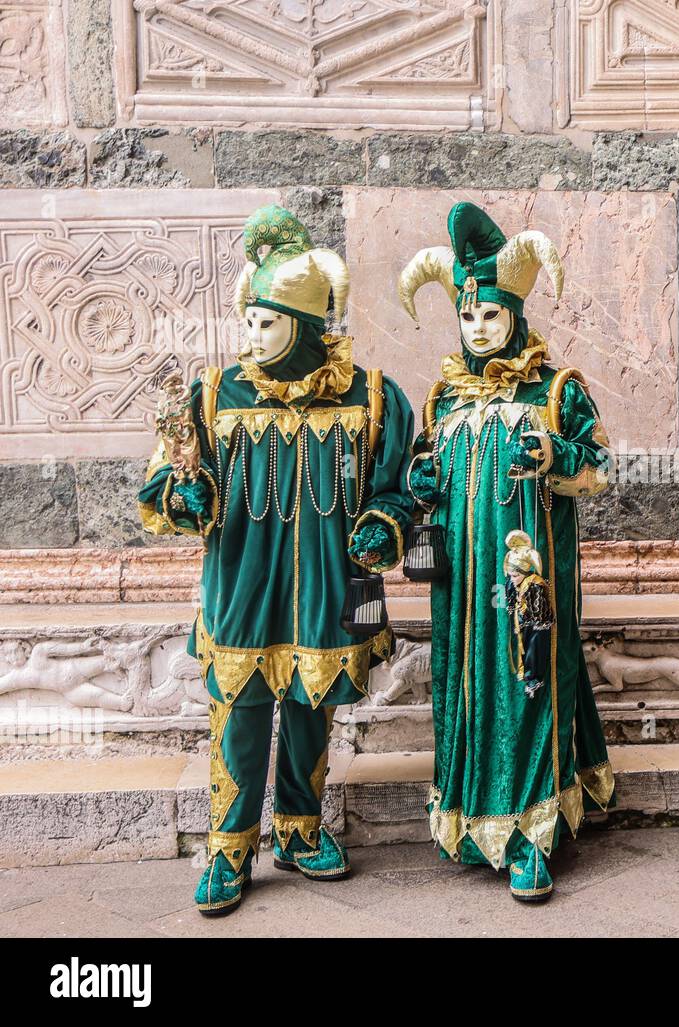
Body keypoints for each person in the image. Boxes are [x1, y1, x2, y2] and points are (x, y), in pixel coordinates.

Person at [139, 204, 414, 915]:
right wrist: (188, 489)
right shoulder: (214, 395)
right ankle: (229, 848)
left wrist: (383, 525)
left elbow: (403, 481)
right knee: (239, 712)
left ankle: (297, 829)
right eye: (249, 322)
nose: (253, 336)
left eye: (268, 322)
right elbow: (164, 490)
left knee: (310, 707)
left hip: (327, 584)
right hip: (243, 586)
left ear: (304, 323)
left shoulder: (371, 396)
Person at [399, 202, 614, 903]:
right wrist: (422, 479)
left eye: (491, 314)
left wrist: (557, 451)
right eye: (468, 317)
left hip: (527, 587)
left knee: (529, 688)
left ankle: (530, 836)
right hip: (462, 594)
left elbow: (600, 464)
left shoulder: (555, 390)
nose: (479, 327)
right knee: (466, 693)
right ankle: (470, 819)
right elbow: (424, 477)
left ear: (516, 315)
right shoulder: (443, 399)